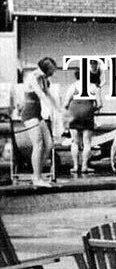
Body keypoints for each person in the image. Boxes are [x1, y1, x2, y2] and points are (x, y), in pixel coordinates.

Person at [21, 57, 58, 187]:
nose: (52, 73)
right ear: (45, 69)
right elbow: (40, 95)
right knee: (38, 144)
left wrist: (59, 110)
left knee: (49, 144)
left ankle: (37, 174)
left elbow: (48, 94)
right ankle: (37, 178)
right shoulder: (32, 77)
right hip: (29, 112)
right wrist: (51, 109)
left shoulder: (43, 78)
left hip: (37, 112)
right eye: (51, 70)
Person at [63, 63, 101, 177]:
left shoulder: (73, 86)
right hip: (87, 113)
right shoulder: (93, 87)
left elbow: (65, 103)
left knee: (75, 142)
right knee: (87, 142)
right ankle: (84, 166)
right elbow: (99, 104)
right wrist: (90, 108)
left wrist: (71, 110)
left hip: (74, 112)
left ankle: (75, 166)